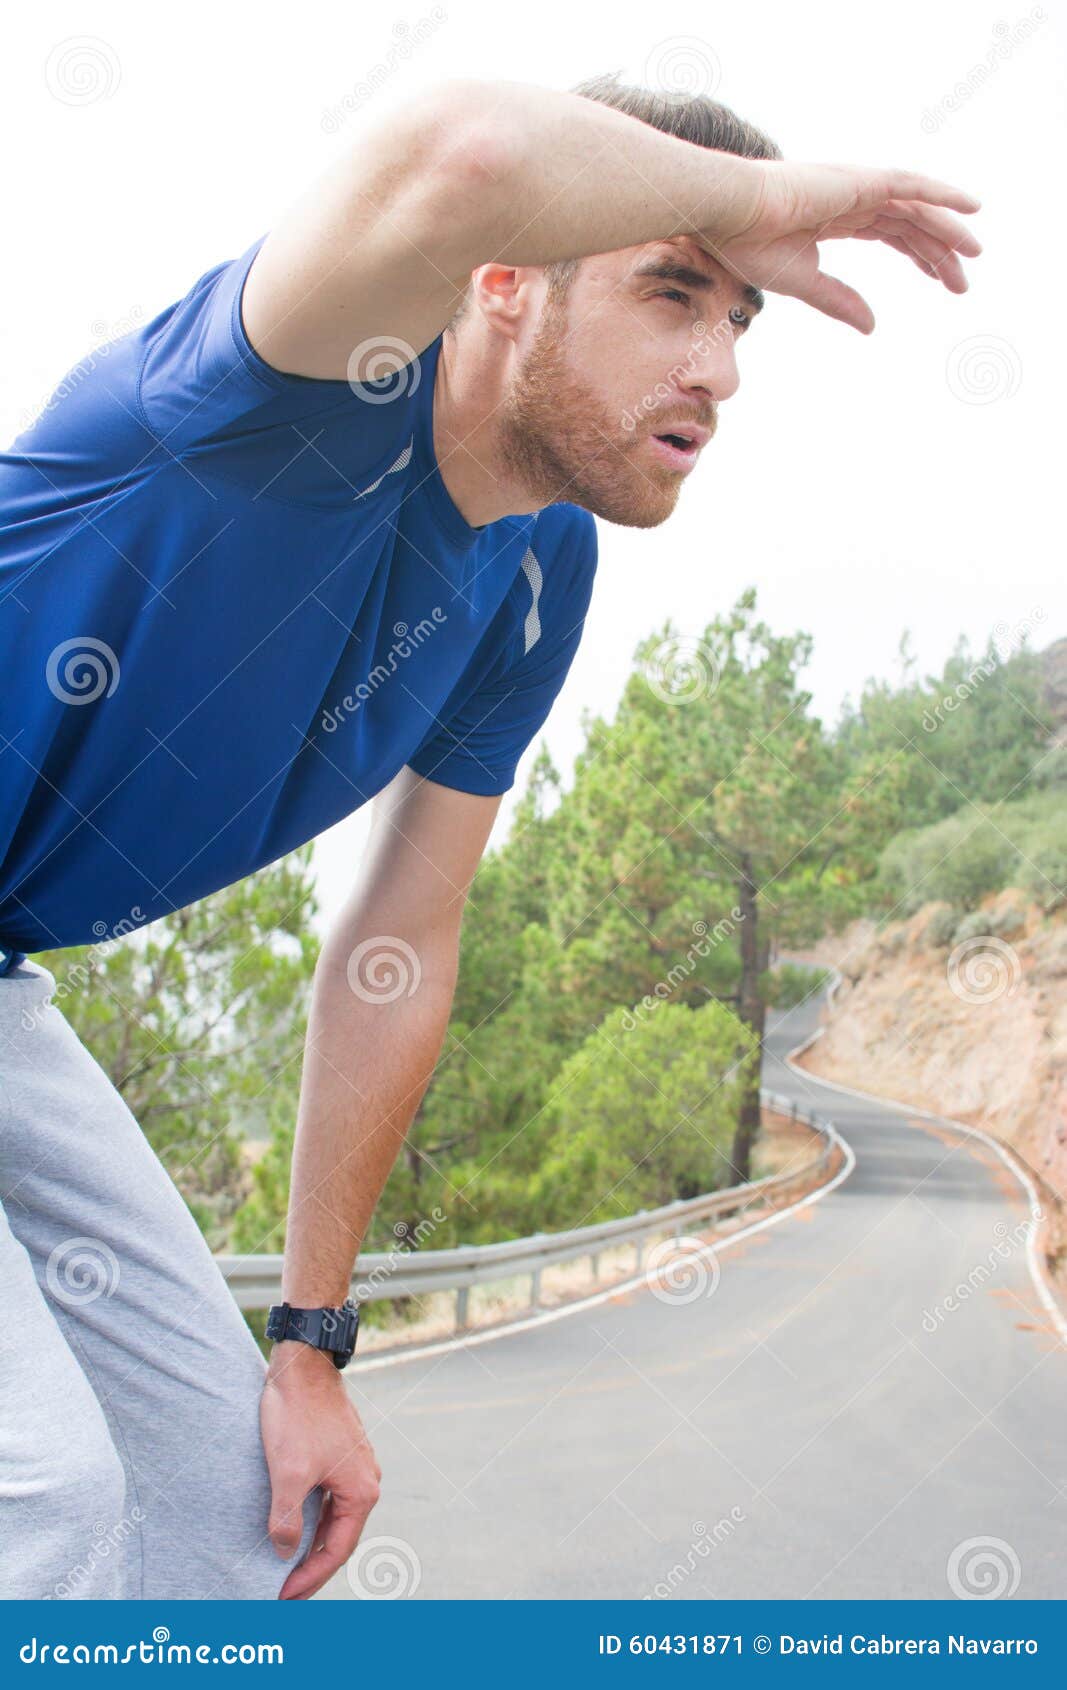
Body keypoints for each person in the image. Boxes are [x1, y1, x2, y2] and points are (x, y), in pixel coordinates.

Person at [0, 71, 980, 1600]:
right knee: (42, 1493)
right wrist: (776, 198)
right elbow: (462, 150)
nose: (718, 366)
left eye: (740, 319)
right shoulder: (293, 389)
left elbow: (401, 935)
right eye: (676, 290)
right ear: (504, 279)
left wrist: (313, 1339)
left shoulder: (538, 574)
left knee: (215, 1499)